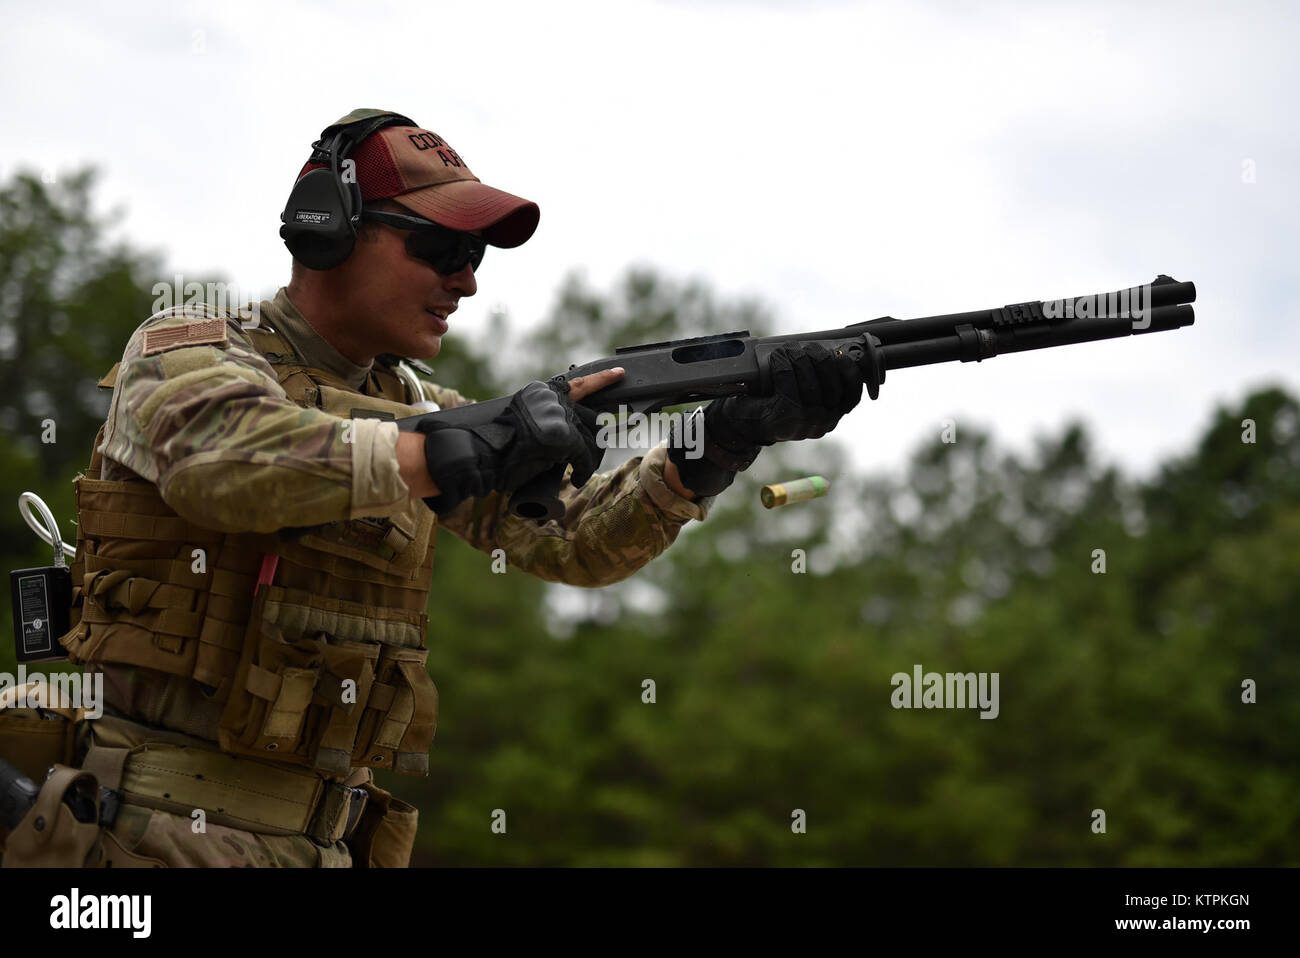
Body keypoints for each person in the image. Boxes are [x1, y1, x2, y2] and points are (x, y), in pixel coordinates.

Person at [29, 109, 863, 867]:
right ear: (328, 231)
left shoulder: (423, 416)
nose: (467, 281)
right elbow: (230, 467)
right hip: (144, 831)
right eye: (441, 250)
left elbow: (571, 541)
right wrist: (463, 445)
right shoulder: (184, 352)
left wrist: (714, 444)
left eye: (474, 257)